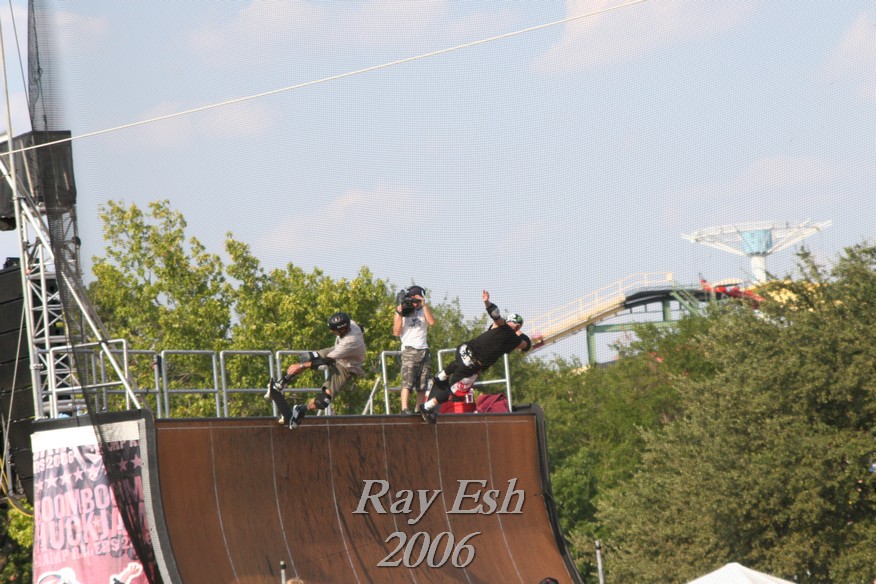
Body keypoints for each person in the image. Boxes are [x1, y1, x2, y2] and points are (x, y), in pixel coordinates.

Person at [418, 290, 531, 423]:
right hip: (472, 364)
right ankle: (426, 407)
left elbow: (495, 315)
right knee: (455, 393)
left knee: (458, 362)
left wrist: (486, 302)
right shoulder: (515, 338)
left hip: (464, 349)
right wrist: (519, 332)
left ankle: (441, 376)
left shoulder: (497, 326)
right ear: (517, 327)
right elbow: (527, 345)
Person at [265, 311, 366, 429]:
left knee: (323, 401)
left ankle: (299, 410)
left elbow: (325, 363)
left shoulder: (351, 342)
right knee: (307, 357)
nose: (332, 332)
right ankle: (282, 382)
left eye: (334, 331)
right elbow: (360, 327)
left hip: (347, 367)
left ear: (342, 330)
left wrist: (301, 366)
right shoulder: (351, 324)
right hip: (337, 350)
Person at [392, 285, 435, 414]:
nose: (415, 304)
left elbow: (432, 322)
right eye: (414, 301)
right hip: (409, 349)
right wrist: (400, 314)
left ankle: (419, 409)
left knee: (422, 384)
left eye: (417, 301)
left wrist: (424, 305)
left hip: (423, 349)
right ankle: (404, 408)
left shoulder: (423, 310)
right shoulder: (402, 311)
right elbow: (396, 332)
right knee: (407, 381)